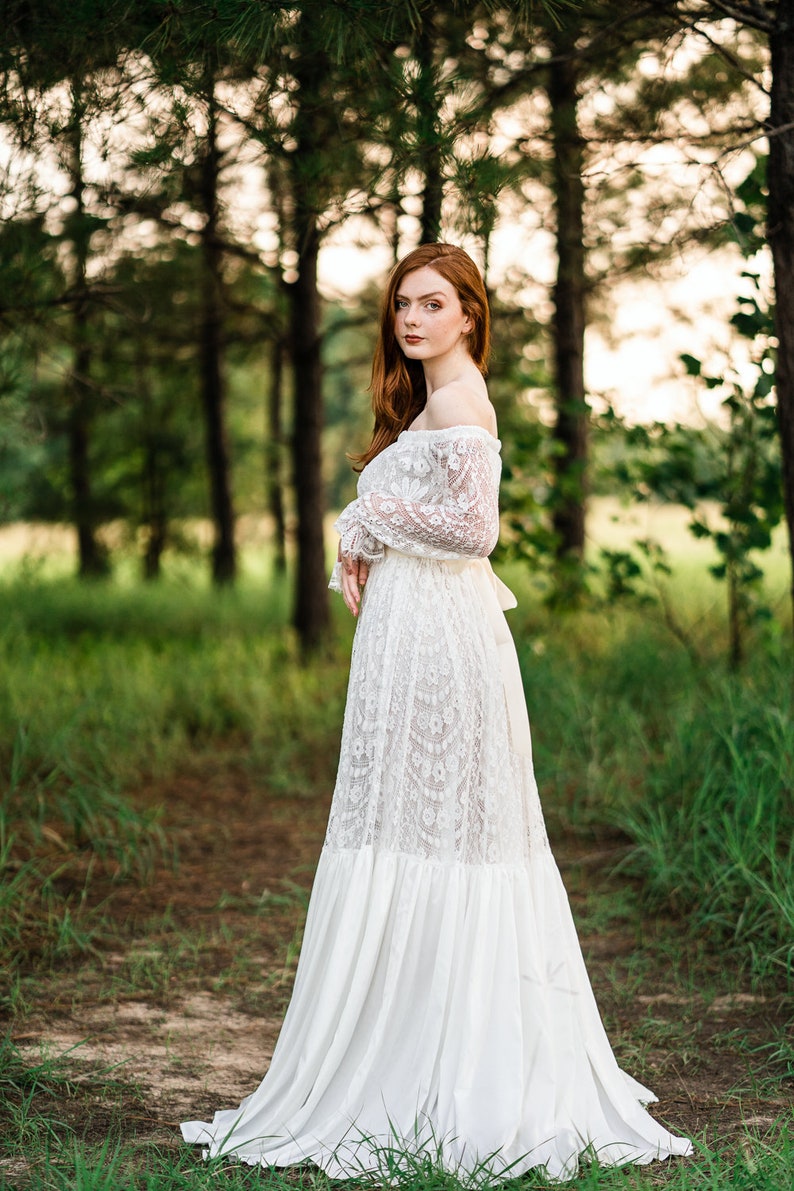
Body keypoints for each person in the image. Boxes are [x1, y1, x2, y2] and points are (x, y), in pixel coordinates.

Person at [181, 243, 692, 1183]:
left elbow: (475, 528)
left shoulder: (460, 403)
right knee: (412, 831)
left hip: (441, 641)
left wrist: (366, 520)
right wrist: (357, 524)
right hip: (409, 637)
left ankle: (435, 1060)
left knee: (437, 836)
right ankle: (406, 1036)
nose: (410, 320)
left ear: (468, 314)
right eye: (401, 306)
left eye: (431, 304)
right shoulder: (428, 403)